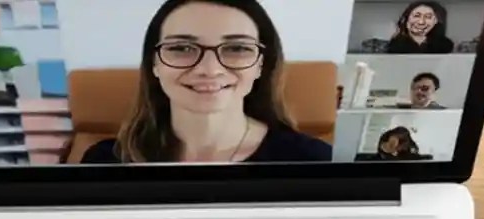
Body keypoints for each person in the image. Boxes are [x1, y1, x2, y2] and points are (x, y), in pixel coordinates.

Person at [80, 0, 333, 164]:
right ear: (154, 64)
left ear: (260, 65)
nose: (209, 69)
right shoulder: (104, 161)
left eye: (236, 48)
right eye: (181, 47)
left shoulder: (314, 161)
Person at [385, 2, 454, 54]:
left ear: (436, 21)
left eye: (428, 17)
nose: (421, 22)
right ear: (406, 19)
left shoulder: (444, 45)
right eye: (416, 16)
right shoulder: (396, 45)